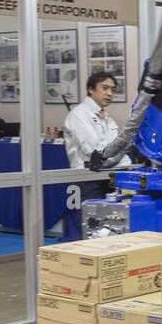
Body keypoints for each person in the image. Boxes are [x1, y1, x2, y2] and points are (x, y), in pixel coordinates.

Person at [60, 71, 132, 241]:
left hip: (107, 177)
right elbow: (94, 151)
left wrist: (122, 153)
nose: (109, 93)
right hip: (87, 180)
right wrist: (120, 150)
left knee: (107, 229)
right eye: (104, 88)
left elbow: (116, 150)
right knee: (87, 228)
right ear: (91, 89)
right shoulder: (79, 115)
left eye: (112, 90)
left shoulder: (106, 117)